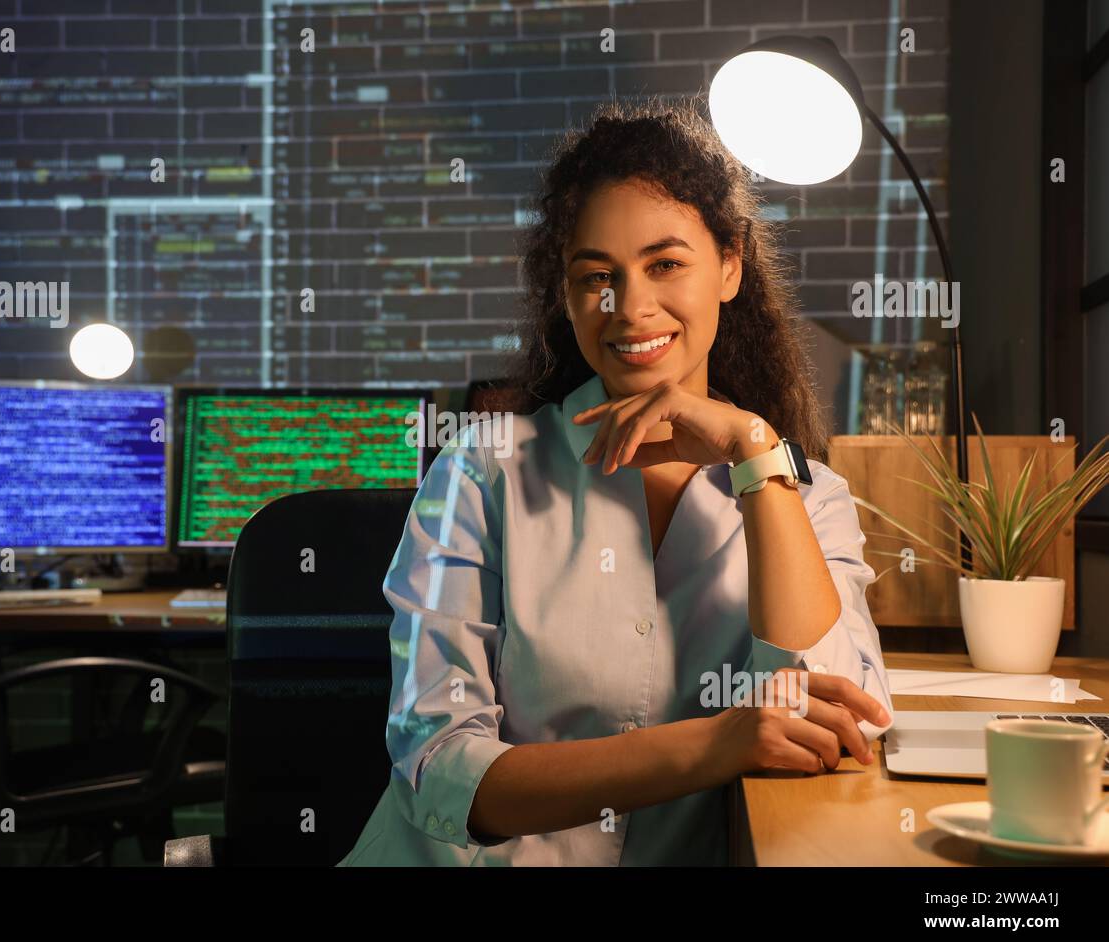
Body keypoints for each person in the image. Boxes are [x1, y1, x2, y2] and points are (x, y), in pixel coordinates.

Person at [339, 96, 894, 866]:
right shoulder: (483, 467)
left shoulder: (809, 496)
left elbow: (838, 725)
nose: (630, 309)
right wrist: (715, 744)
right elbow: (442, 776)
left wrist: (753, 449)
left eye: (666, 264)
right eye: (597, 276)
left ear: (730, 265)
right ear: (566, 299)